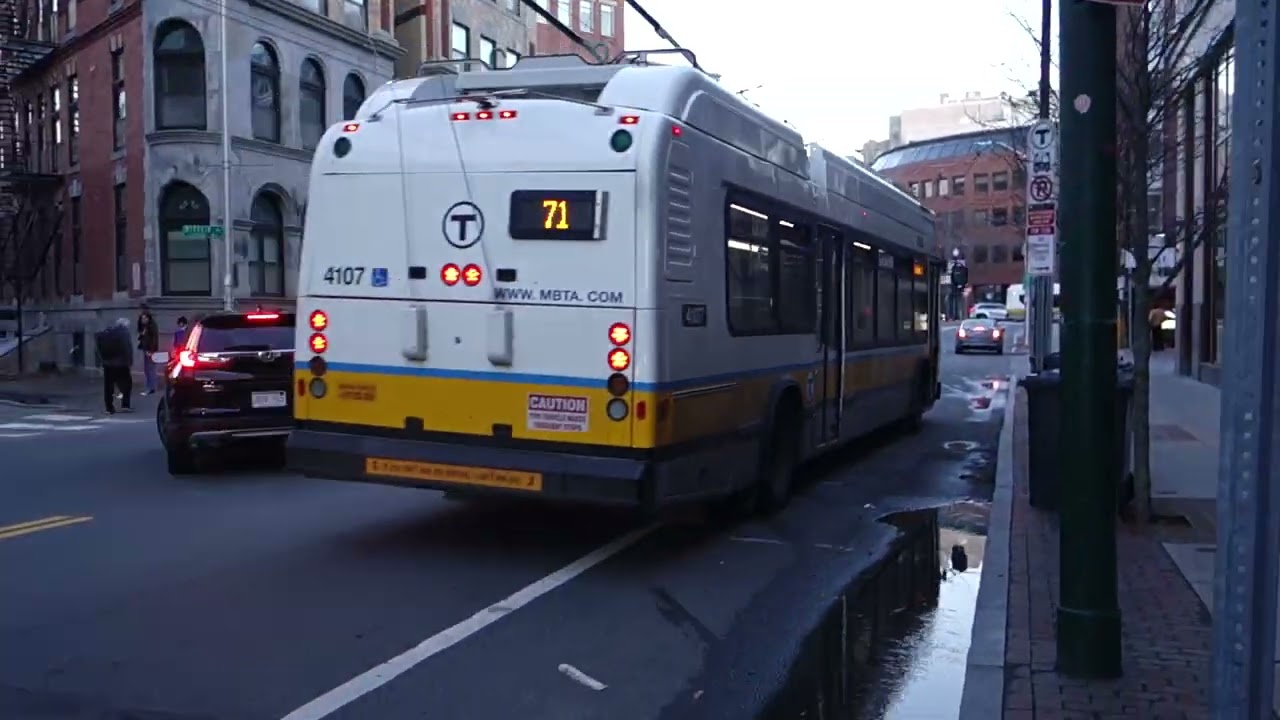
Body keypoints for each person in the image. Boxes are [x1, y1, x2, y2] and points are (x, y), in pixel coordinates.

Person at [95, 318, 134, 414]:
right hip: (121, 364)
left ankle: (109, 408)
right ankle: (125, 405)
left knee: (108, 386)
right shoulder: (124, 333)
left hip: (107, 364)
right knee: (127, 384)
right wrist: (129, 361)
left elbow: (98, 348)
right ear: (125, 325)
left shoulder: (106, 333)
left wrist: (100, 363)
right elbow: (127, 348)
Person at [137, 306, 159, 395]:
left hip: (149, 349)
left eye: (144, 318)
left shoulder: (151, 326)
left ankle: (151, 388)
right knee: (148, 369)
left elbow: (154, 339)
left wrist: (151, 350)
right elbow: (142, 336)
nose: (143, 320)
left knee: (150, 369)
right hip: (146, 348)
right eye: (142, 318)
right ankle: (151, 387)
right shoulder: (144, 326)